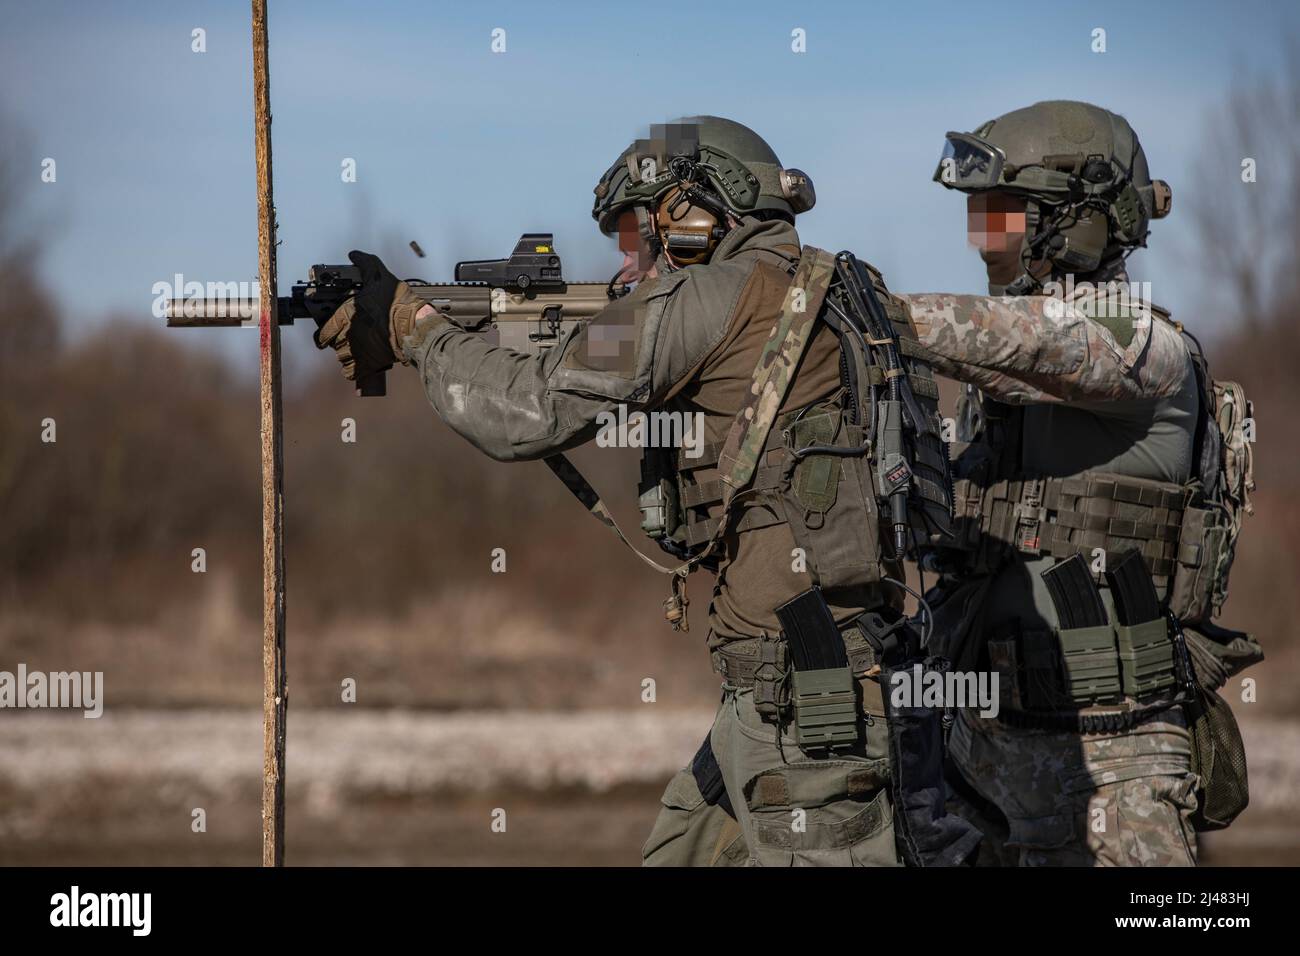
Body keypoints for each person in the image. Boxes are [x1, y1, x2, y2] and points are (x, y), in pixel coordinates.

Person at [916, 100, 1260, 866]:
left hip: (1116, 766)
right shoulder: (1001, 375)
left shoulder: (1140, 343)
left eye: (999, 215)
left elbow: (1041, 346)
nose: (981, 240)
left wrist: (871, 312)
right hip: (985, 756)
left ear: (1070, 222)